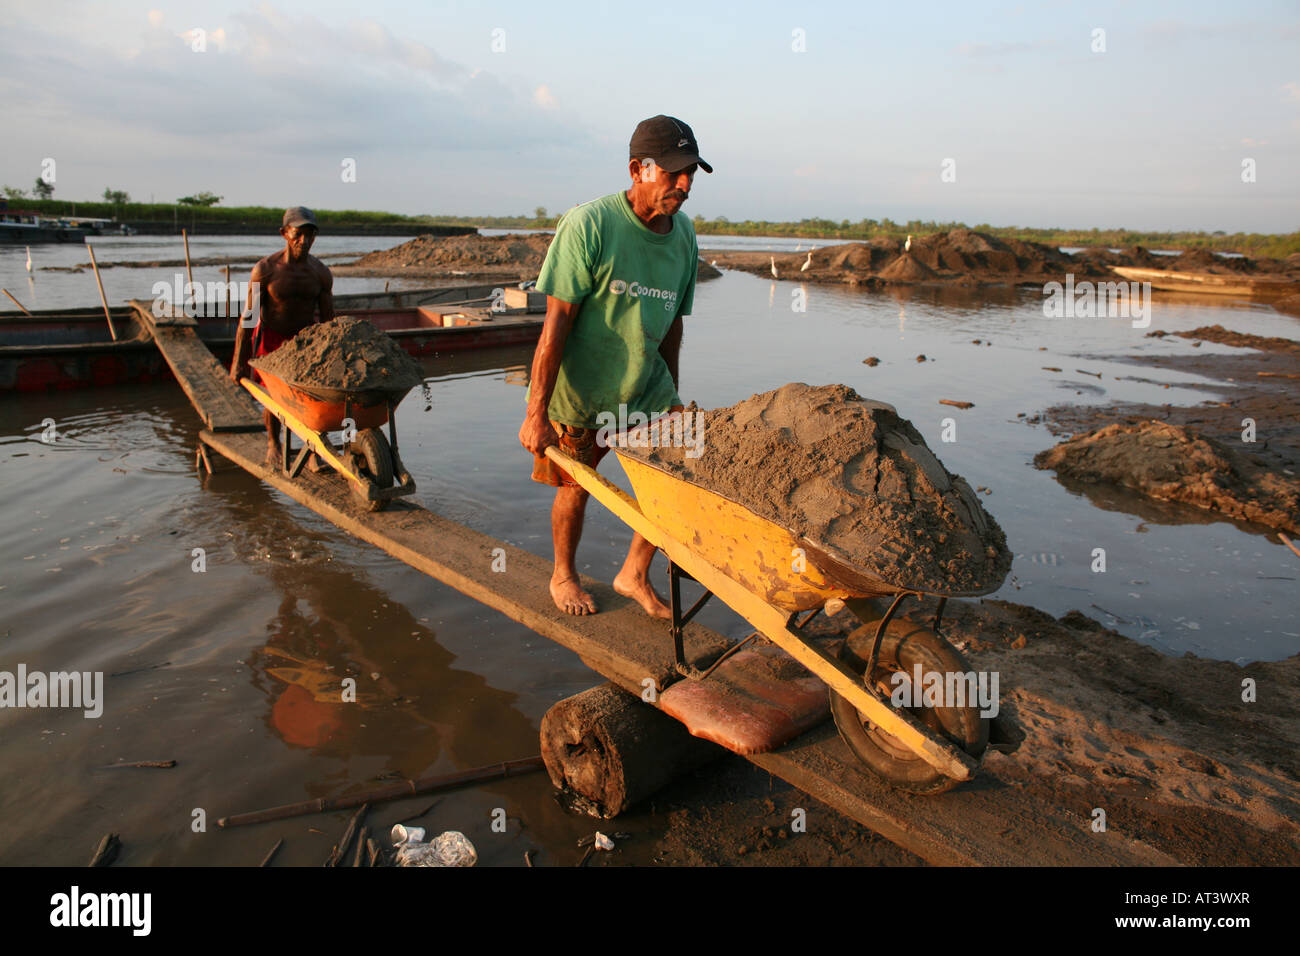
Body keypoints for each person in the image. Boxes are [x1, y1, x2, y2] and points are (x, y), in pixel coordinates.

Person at [518, 115, 712, 617]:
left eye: (691, 172)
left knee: (675, 481)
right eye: (673, 173)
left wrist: (671, 394)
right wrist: (536, 409)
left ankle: (632, 573)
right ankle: (563, 574)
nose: (685, 185)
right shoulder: (590, 225)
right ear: (637, 169)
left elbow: (671, 324)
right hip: (582, 393)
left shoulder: (685, 236)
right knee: (575, 487)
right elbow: (555, 324)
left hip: (647, 391)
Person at [230, 206, 335, 464]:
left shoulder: (320, 273)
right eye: (299, 234)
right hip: (272, 337)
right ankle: (273, 443)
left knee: (314, 395)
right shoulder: (265, 270)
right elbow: (248, 320)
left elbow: (329, 323)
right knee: (274, 396)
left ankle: (313, 449)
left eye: (311, 235)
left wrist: (331, 357)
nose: (305, 241)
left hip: (305, 340)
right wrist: (238, 362)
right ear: (284, 233)